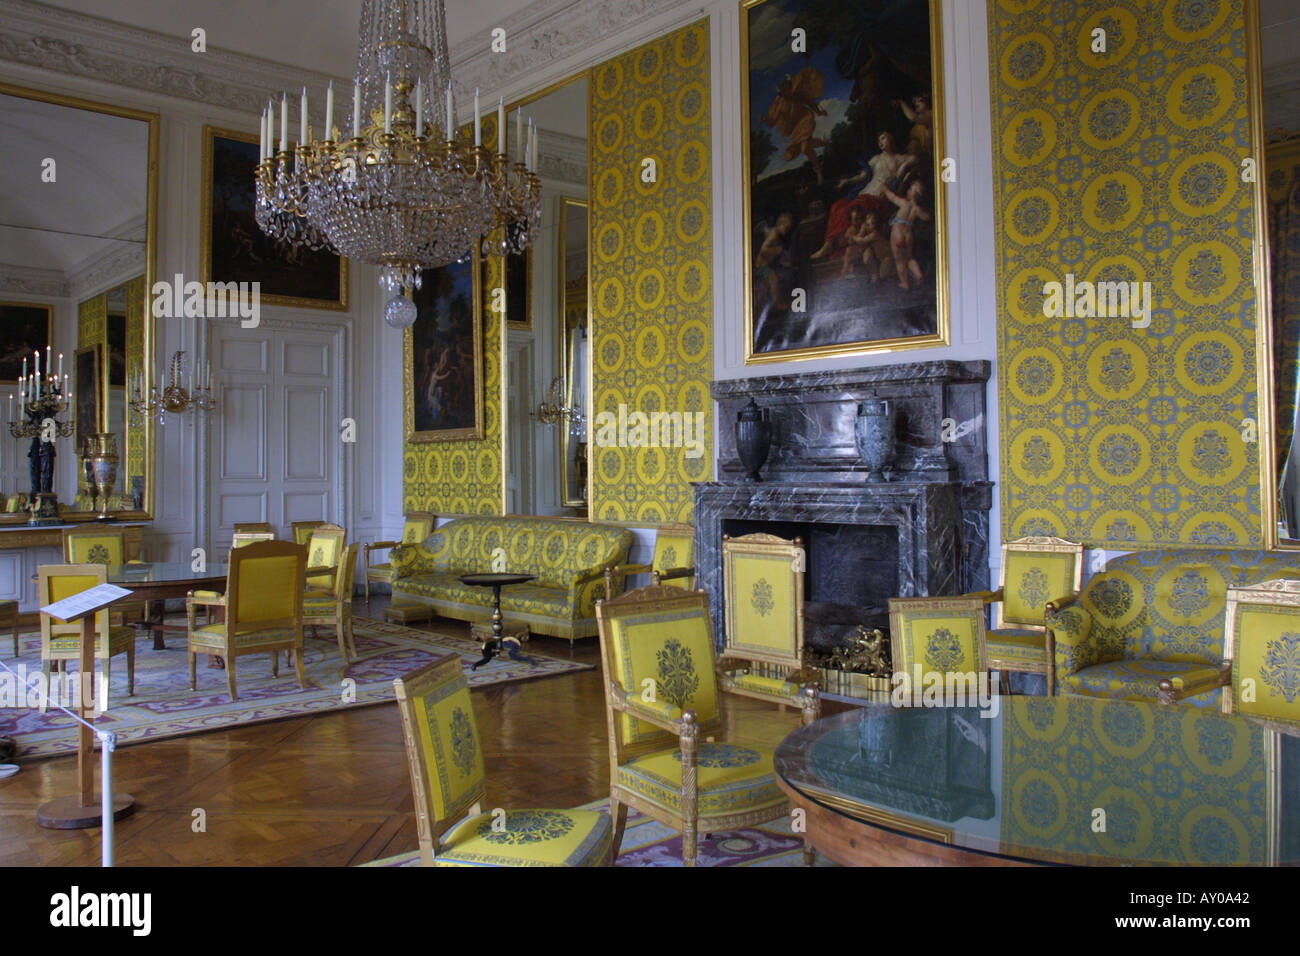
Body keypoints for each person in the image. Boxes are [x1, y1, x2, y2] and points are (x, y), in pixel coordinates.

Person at [811, 131, 914, 260]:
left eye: (883, 138)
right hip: (865, 192)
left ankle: (830, 246)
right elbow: (862, 176)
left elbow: (915, 158)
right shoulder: (876, 159)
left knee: (850, 209)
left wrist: (903, 166)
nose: (880, 142)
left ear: (891, 139)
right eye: (878, 140)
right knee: (837, 206)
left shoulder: (899, 158)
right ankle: (829, 244)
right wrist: (847, 181)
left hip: (877, 197)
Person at [761, 68, 828, 185]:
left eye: (788, 89)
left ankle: (819, 172)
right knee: (804, 147)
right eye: (784, 92)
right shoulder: (780, 105)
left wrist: (819, 112)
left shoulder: (797, 94)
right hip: (796, 127)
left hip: (805, 119)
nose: (787, 92)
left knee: (805, 148)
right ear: (781, 93)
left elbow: (810, 102)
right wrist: (766, 120)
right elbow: (773, 122)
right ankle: (825, 143)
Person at [883, 177, 932, 290]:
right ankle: (918, 274)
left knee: (899, 261)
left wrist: (885, 190)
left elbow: (892, 197)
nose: (907, 191)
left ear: (913, 195)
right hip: (908, 236)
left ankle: (905, 283)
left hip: (897, 233)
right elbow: (927, 217)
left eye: (910, 189)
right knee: (909, 258)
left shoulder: (904, 203)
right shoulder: (917, 209)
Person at [754, 211, 795, 311]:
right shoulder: (775, 233)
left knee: (762, 290)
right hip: (761, 265)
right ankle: (779, 303)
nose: (787, 230)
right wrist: (778, 250)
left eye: (789, 228)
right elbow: (764, 250)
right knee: (773, 279)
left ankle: (757, 310)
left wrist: (787, 263)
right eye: (786, 227)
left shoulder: (777, 235)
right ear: (782, 223)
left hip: (764, 265)